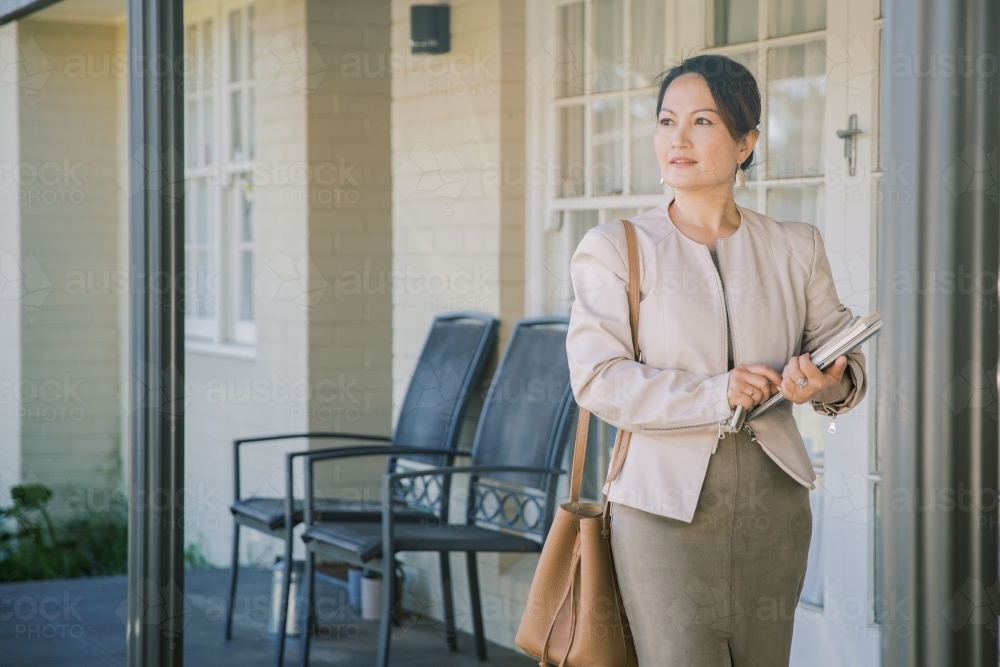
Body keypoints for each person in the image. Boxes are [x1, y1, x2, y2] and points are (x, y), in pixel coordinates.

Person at [565, 54, 868, 666]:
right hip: (661, 509)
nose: (677, 138)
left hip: (774, 505)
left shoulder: (795, 246)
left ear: (746, 141)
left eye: (702, 121)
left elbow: (845, 361)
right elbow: (598, 379)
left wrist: (826, 384)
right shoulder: (615, 248)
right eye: (666, 120)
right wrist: (716, 392)